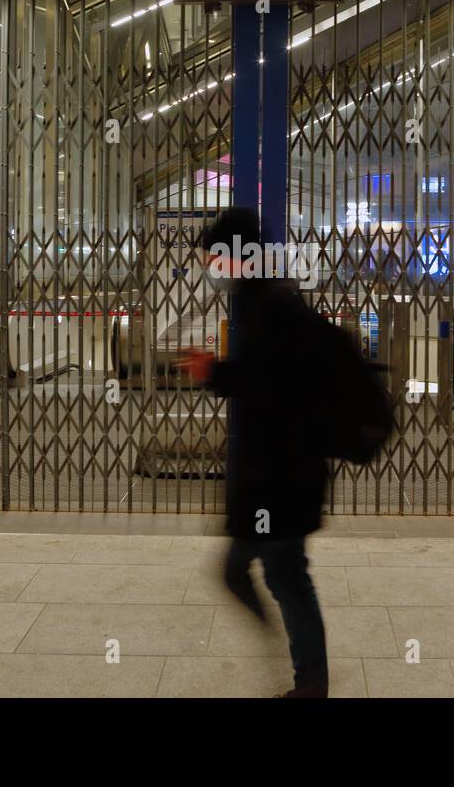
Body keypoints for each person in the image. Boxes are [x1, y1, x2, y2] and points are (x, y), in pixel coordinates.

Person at [180, 207, 330, 699]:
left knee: (284, 577)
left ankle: (310, 680)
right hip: (276, 476)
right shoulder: (264, 298)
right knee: (265, 573)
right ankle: (305, 671)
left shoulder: (269, 304)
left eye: (213, 256)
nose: (209, 266)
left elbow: (272, 387)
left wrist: (214, 373)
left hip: (279, 478)